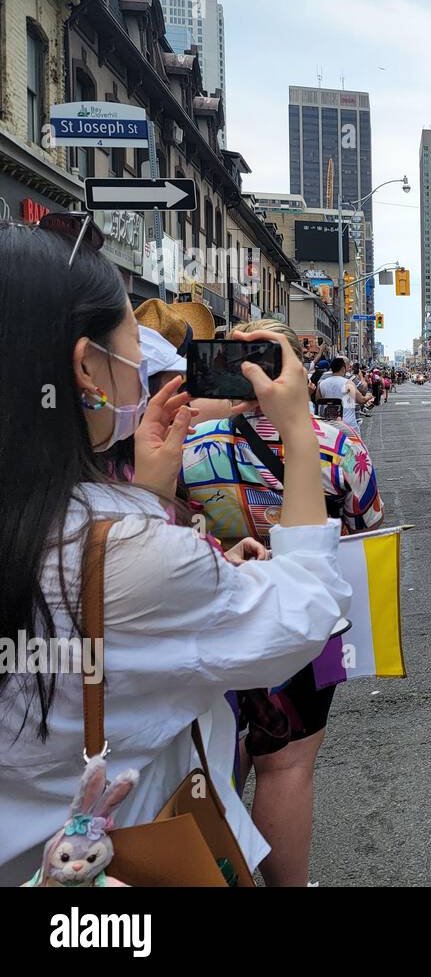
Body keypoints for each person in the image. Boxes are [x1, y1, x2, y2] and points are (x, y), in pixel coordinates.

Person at [0, 222, 348, 885]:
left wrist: (151, 497)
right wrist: (300, 430)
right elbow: (307, 610)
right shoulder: (128, 555)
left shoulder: (91, 532)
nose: (149, 375)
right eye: (136, 353)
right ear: (86, 368)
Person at [181, 320, 382, 887]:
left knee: (217, 751)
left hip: (214, 610)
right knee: (287, 764)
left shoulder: (188, 442)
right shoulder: (335, 441)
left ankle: (215, 864)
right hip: (304, 624)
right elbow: (368, 516)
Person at [317, 357, 364, 436]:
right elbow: (361, 400)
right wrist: (369, 397)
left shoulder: (322, 384)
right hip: (348, 425)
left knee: (335, 447)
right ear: (343, 368)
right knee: (354, 447)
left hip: (330, 425)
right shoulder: (348, 382)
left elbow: (318, 401)